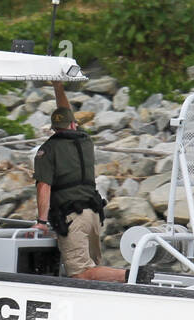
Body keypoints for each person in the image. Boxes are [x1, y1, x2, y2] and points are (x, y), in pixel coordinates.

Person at [33, 82, 127, 282]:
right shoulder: (85, 141)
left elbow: (44, 186)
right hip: (93, 215)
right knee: (93, 271)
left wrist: (41, 222)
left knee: (80, 273)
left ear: (53, 128)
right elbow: (66, 112)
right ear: (73, 124)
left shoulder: (48, 150)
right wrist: (58, 87)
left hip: (73, 218)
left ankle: (129, 275)